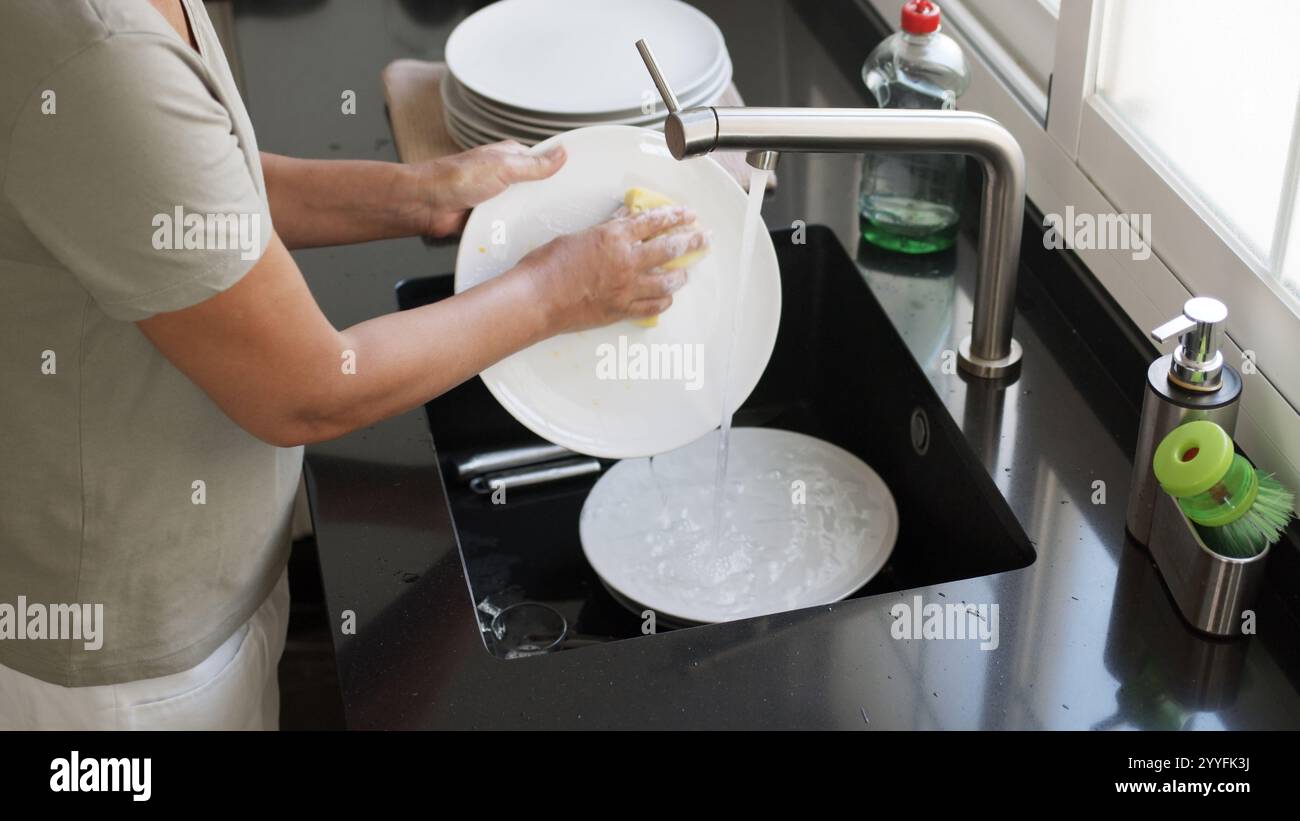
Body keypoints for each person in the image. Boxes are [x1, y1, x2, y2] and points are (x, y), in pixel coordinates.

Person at [0, 0, 707, 729]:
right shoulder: (92, 49)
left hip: (195, 577)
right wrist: (557, 290)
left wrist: (423, 195)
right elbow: (305, 388)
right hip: (119, 669)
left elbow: (194, 186)